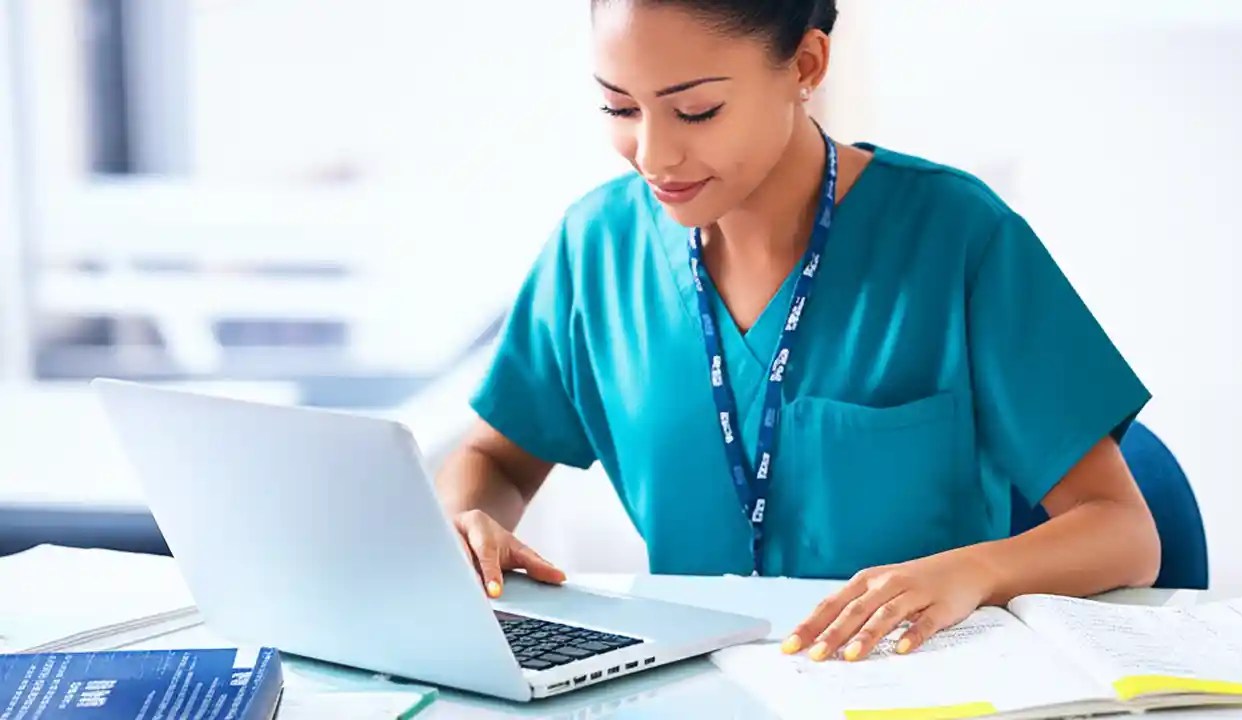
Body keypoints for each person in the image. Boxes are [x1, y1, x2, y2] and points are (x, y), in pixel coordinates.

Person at [436, 0, 1160, 663]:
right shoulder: (596, 246)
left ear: (807, 65)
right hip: (700, 690)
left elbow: (1123, 532)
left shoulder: (958, 239)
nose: (653, 155)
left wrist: (975, 571)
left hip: (920, 681)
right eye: (619, 107)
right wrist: (466, 524)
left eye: (696, 111)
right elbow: (493, 457)